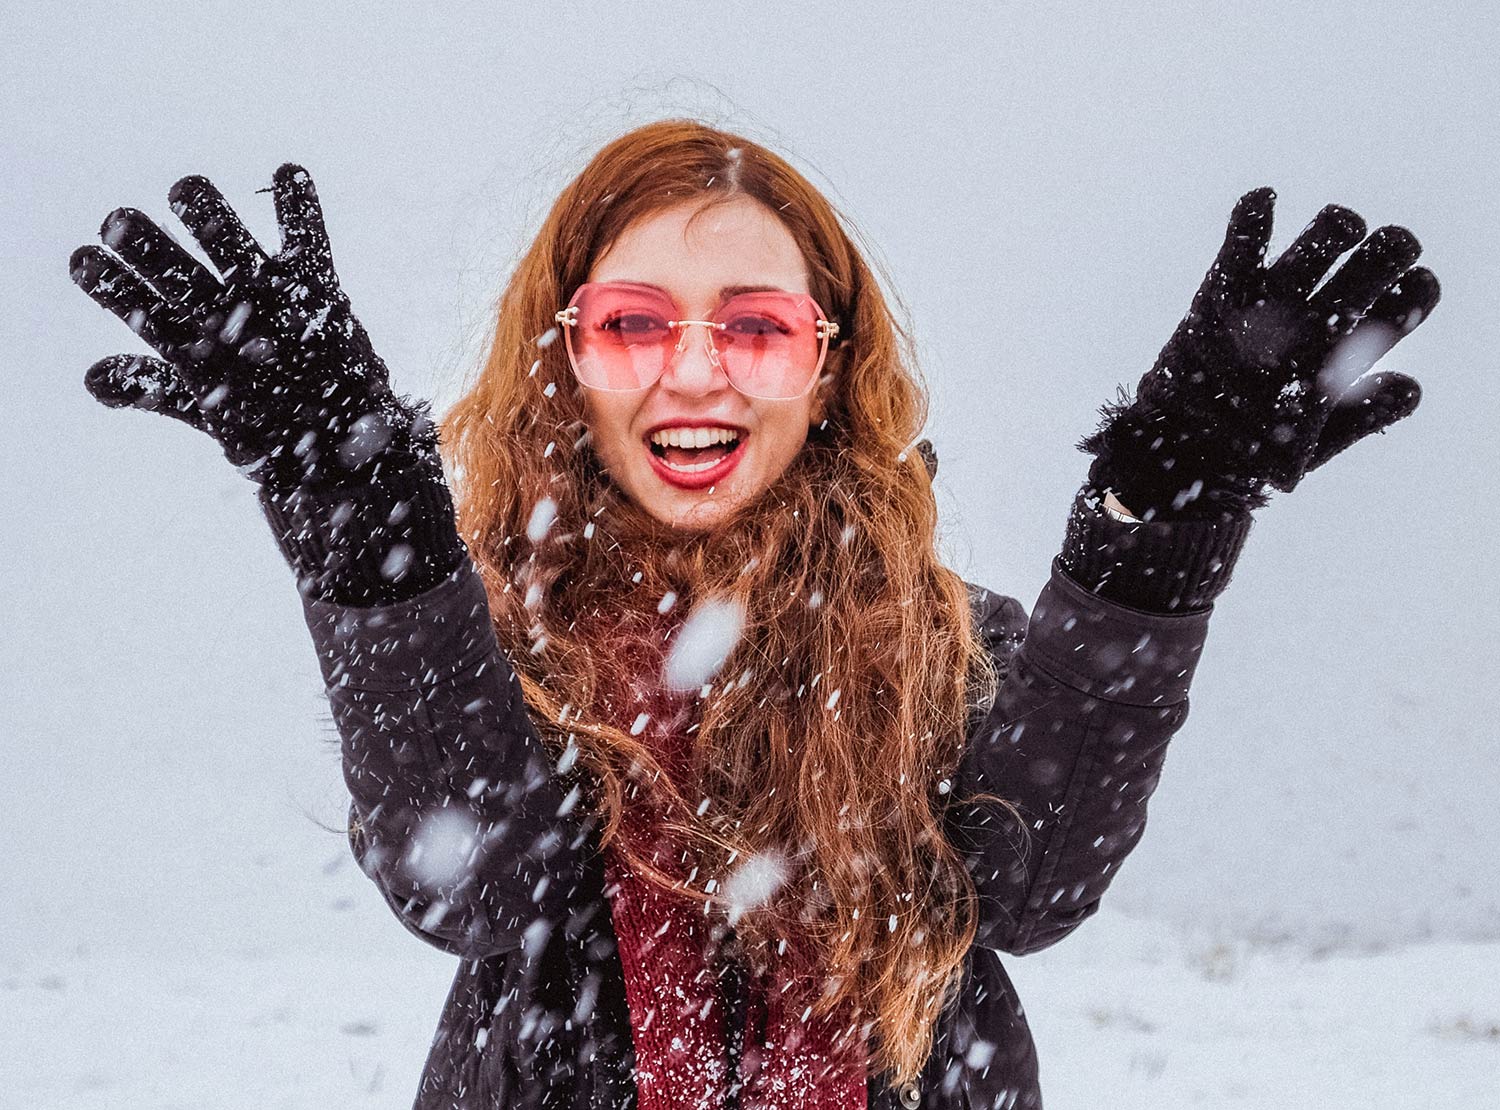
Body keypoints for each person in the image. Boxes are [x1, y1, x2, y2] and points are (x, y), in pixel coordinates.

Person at [70, 120, 1437, 1110]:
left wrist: (1155, 534)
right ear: (570, 356)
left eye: (757, 326)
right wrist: (365, 527)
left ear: (829, 367)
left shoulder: (943, 639)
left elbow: (1038, 880)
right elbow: (465, 872)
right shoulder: (499, 644)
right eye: (634, 324)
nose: (695, 375)